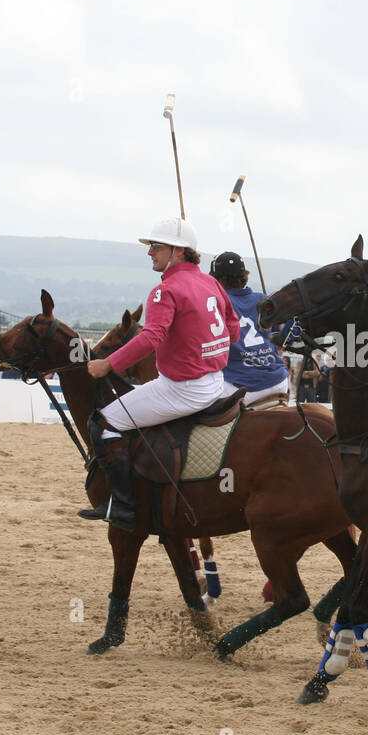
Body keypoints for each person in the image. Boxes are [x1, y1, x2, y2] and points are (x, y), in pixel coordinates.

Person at [77, 218, 238, 530]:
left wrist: (108, 365)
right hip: (217, 383)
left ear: (178, 251)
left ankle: (121, 507)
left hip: (183, 388)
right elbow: (232, 331)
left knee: (103, 423)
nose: (150, 252)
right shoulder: (211, 282)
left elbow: (151, 338)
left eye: (156, 246)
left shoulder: (164, 291)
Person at [208, 251, 291, 406]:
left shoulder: (217, 304)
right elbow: (278, 336)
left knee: (195, 403)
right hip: (279, 380)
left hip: (243, 388)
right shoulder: (263, 299)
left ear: (219, 280)